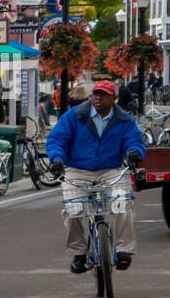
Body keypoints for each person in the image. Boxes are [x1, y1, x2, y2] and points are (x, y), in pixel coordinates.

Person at [45, 79, 145, 273]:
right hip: (78, 169)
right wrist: (57, 160)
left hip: (110, 169)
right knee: (73, 207)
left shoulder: (124, 119)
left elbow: (134, 140)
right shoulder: (74, 116)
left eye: (103, 95)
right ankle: (79, 253)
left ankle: (124, 250)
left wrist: (134, 153)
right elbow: (57, 139)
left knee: (123, 202)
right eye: (95, 94)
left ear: (113, 99)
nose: (97, 98)